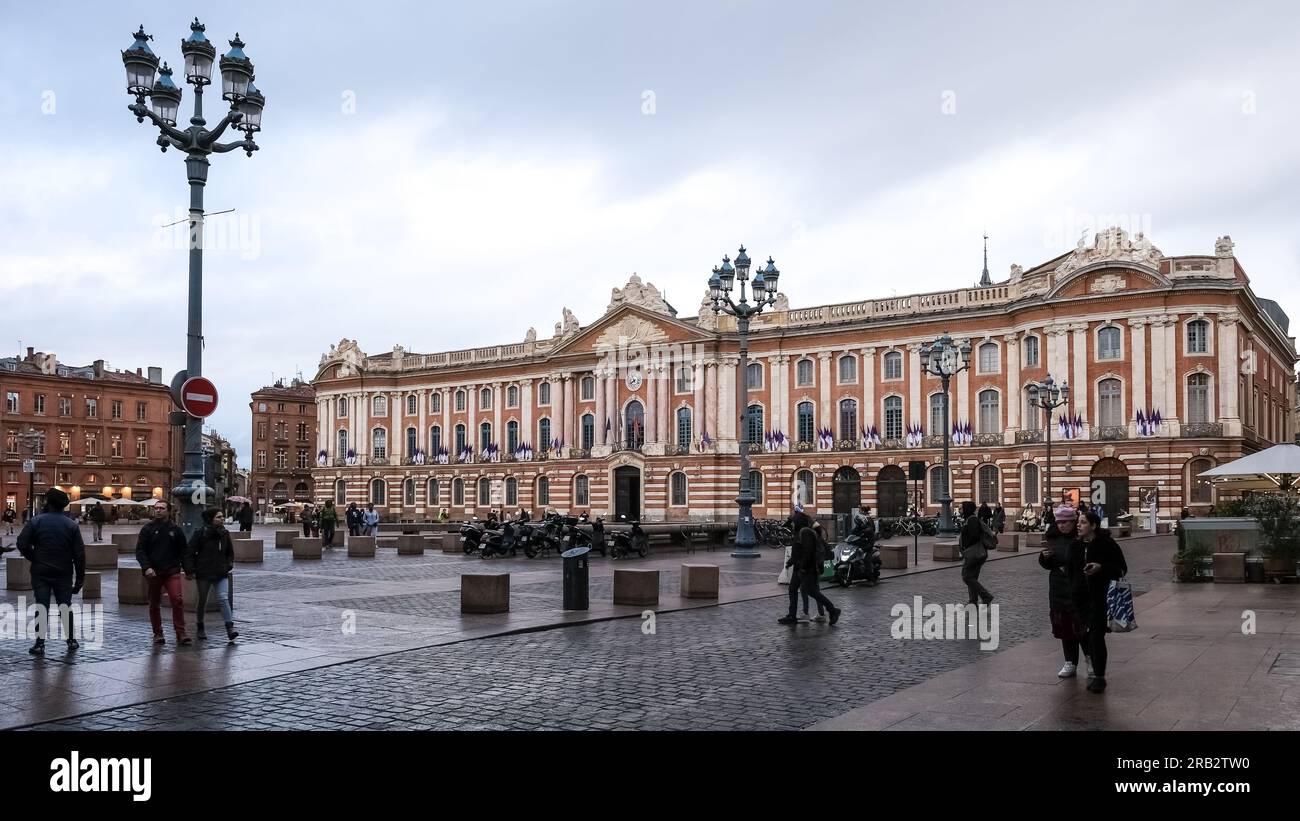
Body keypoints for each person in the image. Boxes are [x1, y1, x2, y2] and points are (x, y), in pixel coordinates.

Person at [16, 488, 85, 655]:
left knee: (42, 605)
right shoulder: (71, 525)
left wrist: (35, 557)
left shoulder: (36, 521)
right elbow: (79, 555)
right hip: (63, 571)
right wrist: (80, 579)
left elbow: (22, 544)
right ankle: (71, 640)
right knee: (65, 606)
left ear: (48, 503)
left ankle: (39, 643)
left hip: (41, 571)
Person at [1069, 509, 1127, 693]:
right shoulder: (1075, 546)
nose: (1078, 525)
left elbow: (1121, 568)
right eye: (1078, 522)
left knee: (1096, 636)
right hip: (1080, 599)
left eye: (1083, 522)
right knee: (1084, 637)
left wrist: (1101, 568)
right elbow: (1071, 572)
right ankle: (1093, 670)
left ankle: (1099, 676)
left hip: (1101, 598)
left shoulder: (1106, 544)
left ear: (1093, 525)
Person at [1038, 505, 1089, 678]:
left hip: (1079, 590)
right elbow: (1048, 565)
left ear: (1073, 522)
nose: (1061, 525)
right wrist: (1044, 558)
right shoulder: (1053, 539)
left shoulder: (1082, 539)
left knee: (1082, 629)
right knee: (1065, 630)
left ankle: (1090, 660)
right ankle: (1070, 662)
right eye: (1059, 522)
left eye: (1065, 522)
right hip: (1058, 590)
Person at [136, 501, 190, 646]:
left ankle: (180, 632)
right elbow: (140, 551)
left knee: (177, 599)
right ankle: (158, 632)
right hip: (154, 572)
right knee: (154, 603)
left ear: (169, 511)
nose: (158, 511)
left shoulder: (175, 530)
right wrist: (146, 567)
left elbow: (183, 551)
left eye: (162, 508)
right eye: (156, 508)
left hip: (172, 570)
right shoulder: (147, 529)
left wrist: (188, 569)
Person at [183, 509, 238, 642]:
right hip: (204, 572)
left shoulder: (224, 533)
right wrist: (190, 570)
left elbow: (230, 552)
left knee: (223, 598)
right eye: (219, 517)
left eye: (222, 517)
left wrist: (228, 564)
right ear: (211, 519)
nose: (222, 519)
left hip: (221, 572)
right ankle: (200, 626)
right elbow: (189, 552)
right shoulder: (200, 533)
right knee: (202, 601)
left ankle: (229, 627)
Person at [780, 521, 840, 626]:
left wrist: (803, 566)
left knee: (811, 591)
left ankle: (832, 609)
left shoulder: (805, 533)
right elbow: (798, 551)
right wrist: (791, 562)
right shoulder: (800, 533)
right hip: (799, 566)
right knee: (793, 589)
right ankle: (792, 615)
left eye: (793, 523)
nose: (792, 525)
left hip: (806, 568)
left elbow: (807, 552)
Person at [958, 500, 994, 606]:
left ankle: (986, 596)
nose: (959, 510)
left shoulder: (972, 520)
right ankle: (973, 602)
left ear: (966, 509)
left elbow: (974, 536)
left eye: (961, 508)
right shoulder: (970, 519)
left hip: (974, 553)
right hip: (976, 553)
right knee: (972, 577)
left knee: (967, 576)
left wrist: (965, 548)